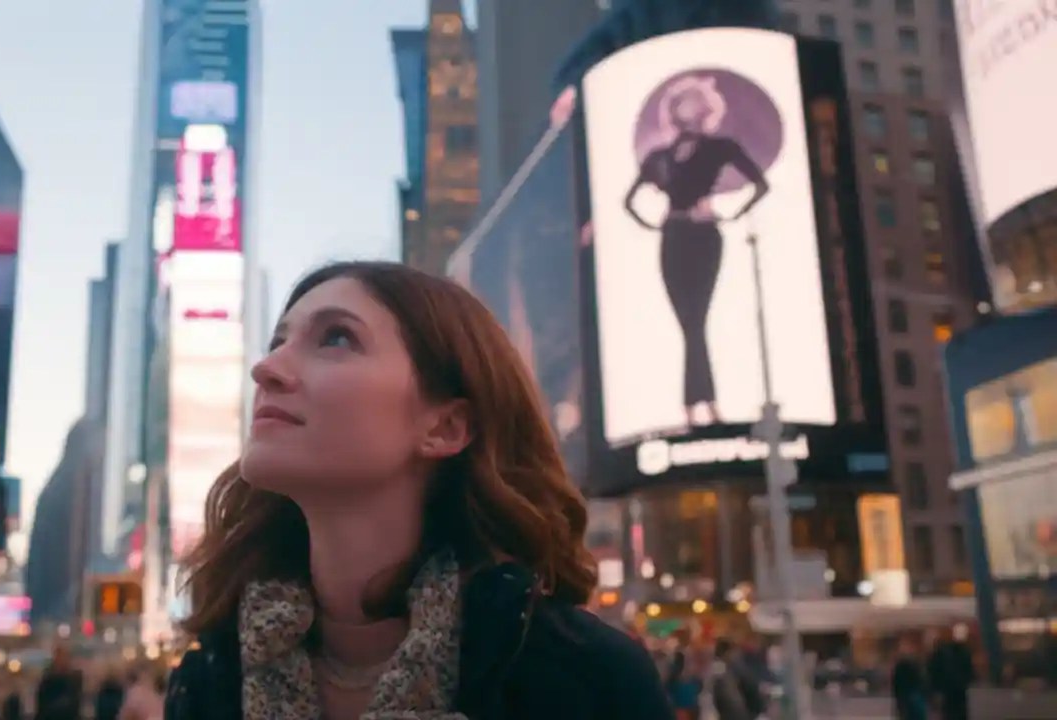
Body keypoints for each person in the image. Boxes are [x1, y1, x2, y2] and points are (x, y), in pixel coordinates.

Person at [164, 261, 673, 720]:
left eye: (336, 338)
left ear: (445, 427)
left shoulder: (584, 680)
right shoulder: (209, 683)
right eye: (278, 342)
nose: (266, 368)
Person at [624, 73, 769, 428]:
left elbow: (761, 184)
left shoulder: (720, 148)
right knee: (689, 323)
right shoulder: (659, 157)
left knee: (696, 321)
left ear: (706, 111)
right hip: (673, 239)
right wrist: (655, 224)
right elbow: (629, 200)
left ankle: (699, 408)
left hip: (704, 238)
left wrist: (733, 213)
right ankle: (700, 407)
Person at [927, 624, 974, 720]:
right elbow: (968, 671)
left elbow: (933, 673)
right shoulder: (964, 652)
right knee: (958, 712)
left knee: (949, 713)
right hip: (958, 689)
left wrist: (935, 689)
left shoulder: (940, 653)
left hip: (948, 690)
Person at [36, 645, 83, 720]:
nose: (62, 661)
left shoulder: (74, 681)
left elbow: (75, 706)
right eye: (60, 658)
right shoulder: (47, 682)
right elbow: (42, 708)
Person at [891, 636, 927, 720]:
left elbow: (896, 683)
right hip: (911, 695)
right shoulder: (912, 664)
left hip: (908, 696)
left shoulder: (904, 665)